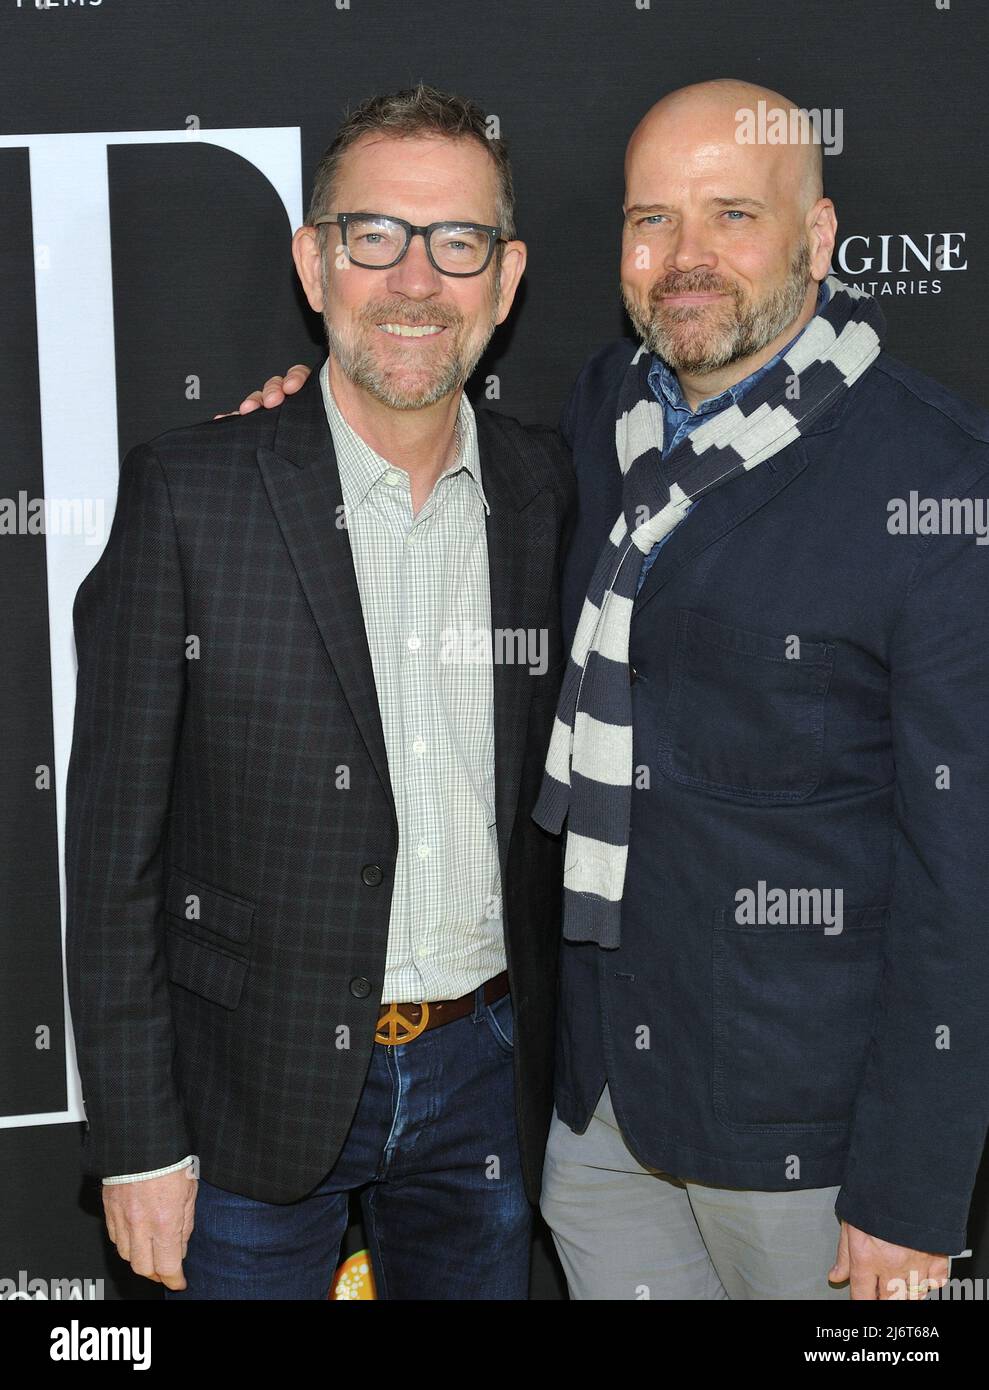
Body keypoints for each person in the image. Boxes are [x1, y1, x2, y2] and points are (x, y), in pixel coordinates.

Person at [247, 78, 989, 1301]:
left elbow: (965, 886)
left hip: (807, 1158)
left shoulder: (939, 492)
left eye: (731, 215)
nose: (685, 259)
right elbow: (416, 422)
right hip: (594, 1127)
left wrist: (911, 1191)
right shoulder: (604, 419)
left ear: (817, 241)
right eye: (653, 220)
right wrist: (296, 420)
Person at [65, 83, 573, 1301]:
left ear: (504, 281)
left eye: (455, 242)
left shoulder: (550, 488)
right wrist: (136, 1139)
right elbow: (112, 850)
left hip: (488, 1073)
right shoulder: (194, 496)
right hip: (249, 1084)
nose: (413, 281)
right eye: (373, 236)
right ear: (313, 262)